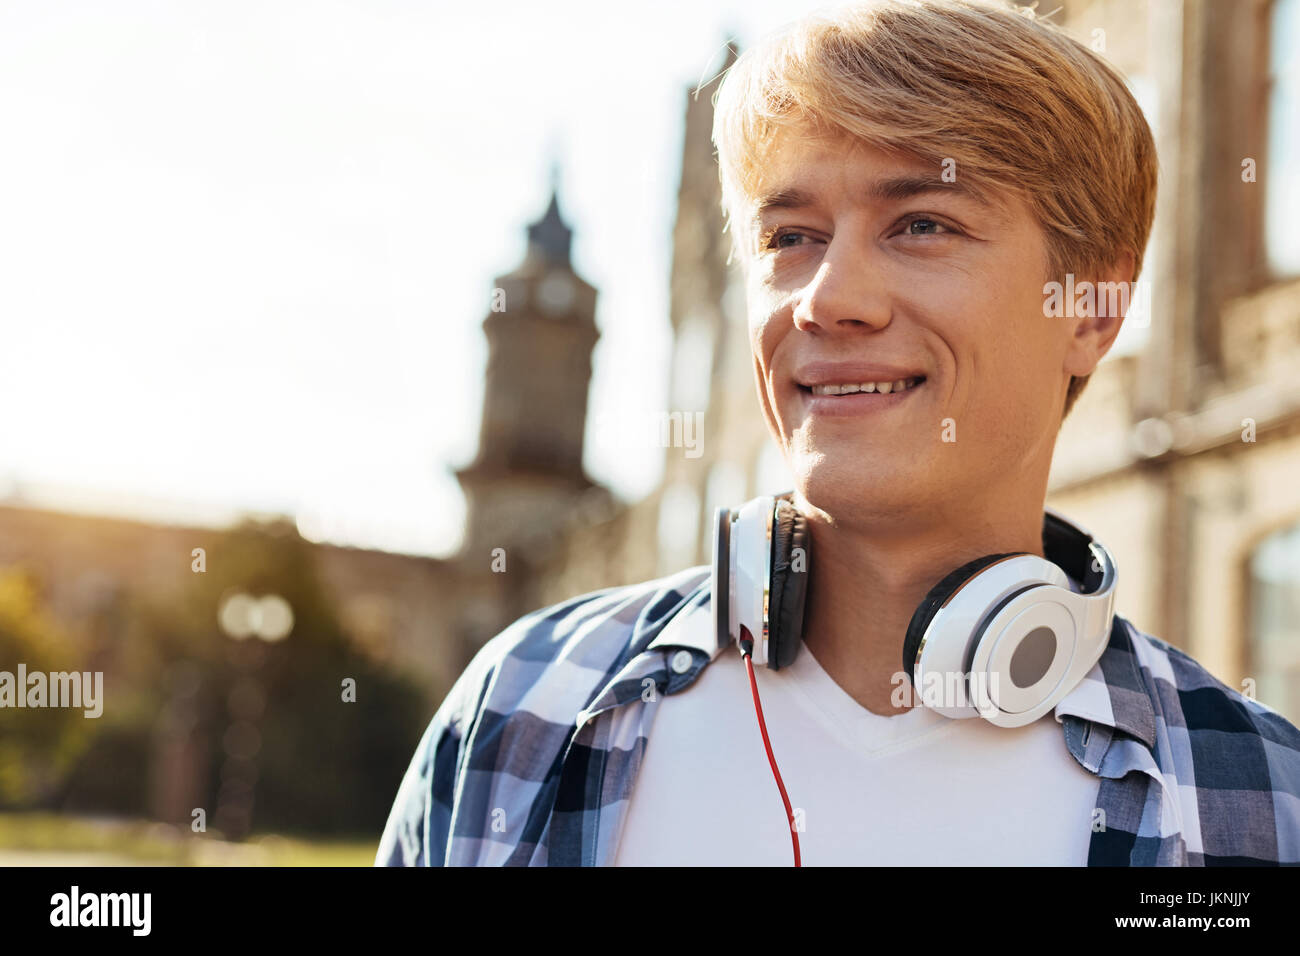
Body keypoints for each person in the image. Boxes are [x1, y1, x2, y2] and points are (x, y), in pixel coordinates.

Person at [376, 0, 1300, 866]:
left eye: (922, 223)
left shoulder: (1264, 801)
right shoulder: (518, 713)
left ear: (1094, 308)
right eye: (791, 237)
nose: (827, 299)